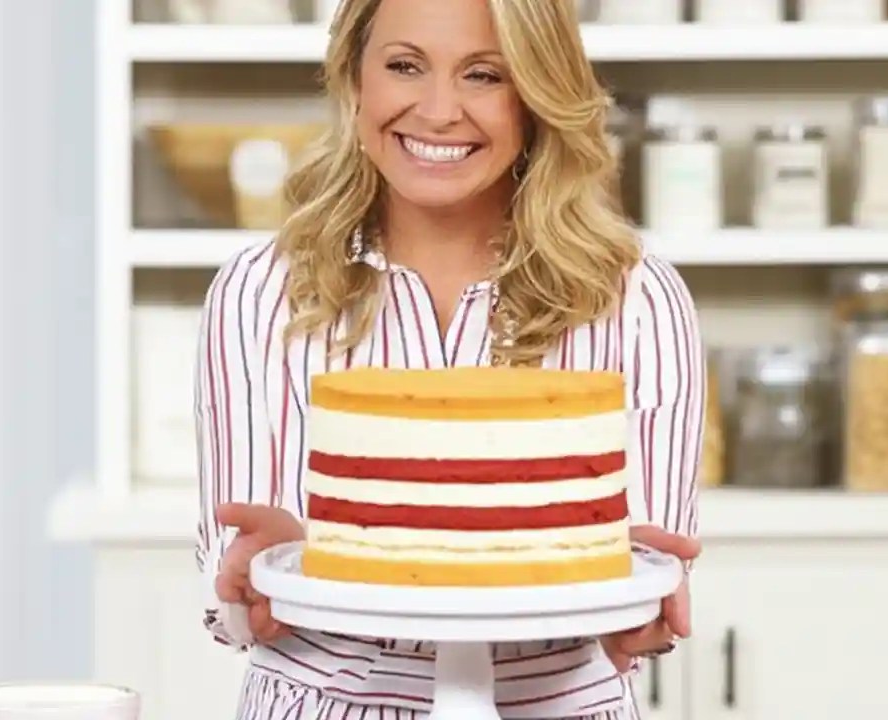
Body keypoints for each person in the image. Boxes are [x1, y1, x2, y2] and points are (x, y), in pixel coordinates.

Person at [194, 0, 704, 717]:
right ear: (355, 78)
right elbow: (231, 575)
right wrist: (253, 579)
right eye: (405, 66)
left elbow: (643, 569)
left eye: (484, 75)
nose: (438, 111)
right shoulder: (262, 288)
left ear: (535, 92)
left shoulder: (636, 295)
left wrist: (642, 603)